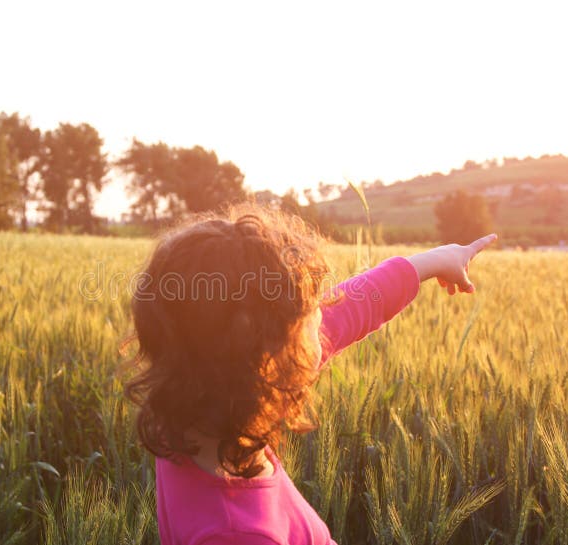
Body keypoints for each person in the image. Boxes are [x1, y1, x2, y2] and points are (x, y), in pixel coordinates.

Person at [122, 203, 498, 545]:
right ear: (273, 362)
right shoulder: (239, 534)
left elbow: (347, 310)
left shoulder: (194, 418)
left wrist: (432, 261)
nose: (323, 317)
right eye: (311, 315)